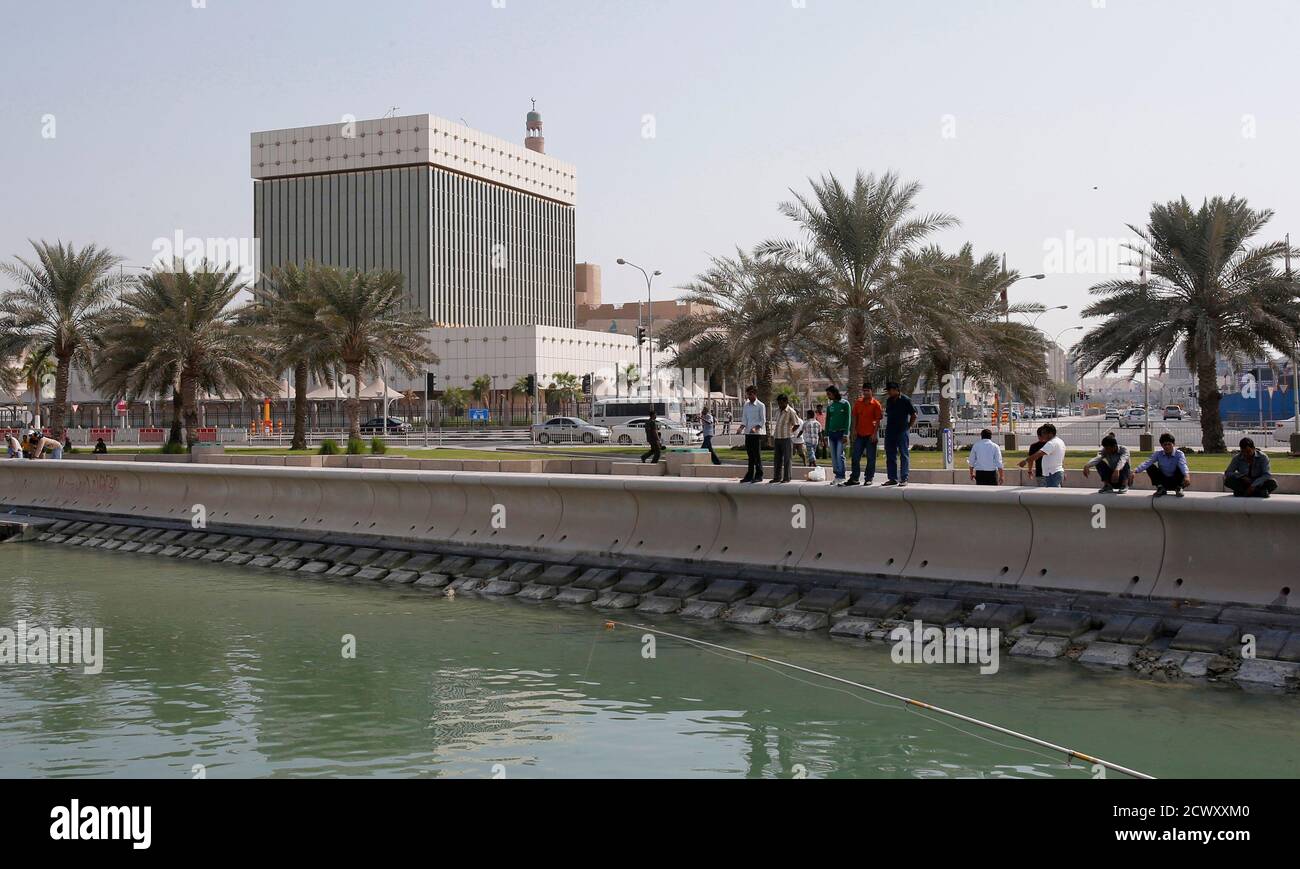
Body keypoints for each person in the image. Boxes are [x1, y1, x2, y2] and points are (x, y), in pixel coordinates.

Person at [844, 383, 883, 487]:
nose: (865, 392)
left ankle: (869, 478)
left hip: (871, 435)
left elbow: (878, 420)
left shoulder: (876, 404)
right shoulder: (858, 403)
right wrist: (854, 430)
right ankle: (855, 478)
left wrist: (875, 434)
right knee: (855, 457)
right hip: (860, 435)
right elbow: (855, 417)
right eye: (864, 390)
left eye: (867, 390)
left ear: (871, 391)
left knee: (871, 458)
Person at [881, 382, 916, 487]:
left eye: (890, 390)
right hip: (890, 431)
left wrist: (908, 426)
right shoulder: (889, 401)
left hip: (902, 431)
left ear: (896, 389)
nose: (888, 392)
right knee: (890, 455)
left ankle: (904, 478)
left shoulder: (905, 400)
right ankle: (892, 478)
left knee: (904, 455)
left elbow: (914, 415)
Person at [1134, 433, 1190, 497]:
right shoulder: (1158, 454)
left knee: (1180, 467)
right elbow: (1147, 462)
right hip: (1163, 481)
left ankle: (1179, 488)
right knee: (1150, 466)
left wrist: (1187, 476)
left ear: (1173, 444)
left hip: (1176, 481)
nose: (1167, 447)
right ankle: (1161, 488)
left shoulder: (1179, 454)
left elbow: (1183, 465)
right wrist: (1135, 471)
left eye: (1169, 444)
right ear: (1161, 445)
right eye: (1165, 444)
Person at [769, 394, 802, 484]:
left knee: (787, 459)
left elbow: (797, 424)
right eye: (778, 403)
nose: (780, 404)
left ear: (786, 402)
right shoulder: (778, 411)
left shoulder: (791, 411)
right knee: (777, 459)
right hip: (778, 438)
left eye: (781, 402)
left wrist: (790, 432)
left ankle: (787, 477)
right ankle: (777, 477)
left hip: (786, 438)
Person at [1019, 423, 1065, 487]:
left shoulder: (1051, 443)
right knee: (1054, 494)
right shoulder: (1059, 441)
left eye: (1044, 433)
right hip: (1055, 472)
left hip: (1052, 474)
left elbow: (1039, 454)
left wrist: (1025, 461)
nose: (1042, 435)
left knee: (1052, 495)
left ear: (1050, 433)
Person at [738, 386, 766, 483]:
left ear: (755, 394)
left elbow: (763, 420)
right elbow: (744, 419)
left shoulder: (761, 405)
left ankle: (759, 475)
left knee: (757, 455)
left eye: (750, 394)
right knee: (750, 455)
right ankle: (749, 475)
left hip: (756, 434)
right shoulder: (746, 405)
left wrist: (755, 428)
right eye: (748, 394)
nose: (749, 396)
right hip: (748, 434)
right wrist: (741, 428)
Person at [824, 386, 851, 484]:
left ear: (834, 393)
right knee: (834, 456)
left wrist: (846, 434)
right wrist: (826, 435)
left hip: (841, 433)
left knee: (840, 454)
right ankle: (837, 475)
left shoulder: (845, 404)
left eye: (829, 394)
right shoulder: (830, 405)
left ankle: (841, 475)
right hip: (832, 433)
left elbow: (848, 419)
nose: (828, 396)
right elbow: (827, 421)